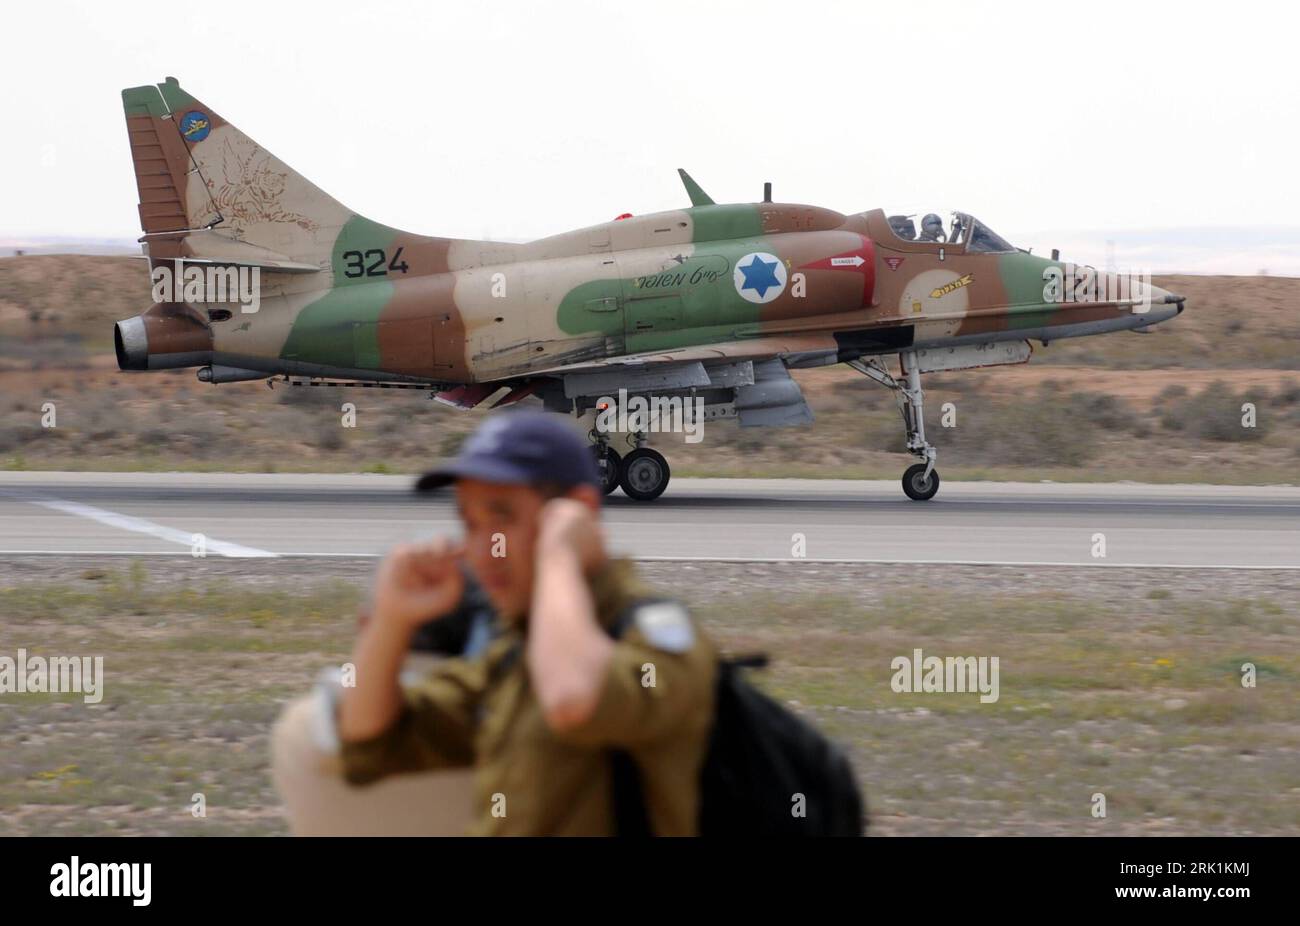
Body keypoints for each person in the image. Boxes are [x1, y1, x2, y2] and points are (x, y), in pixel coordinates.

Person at [270, 411, 716, 835]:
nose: (484, 550)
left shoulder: (658, 640)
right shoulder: (512, 658)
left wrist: (559, 556)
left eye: (501, 517)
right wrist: (391, 619)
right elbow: (368, 737)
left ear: (576, 512)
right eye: (469, 522)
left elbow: (574, 700)